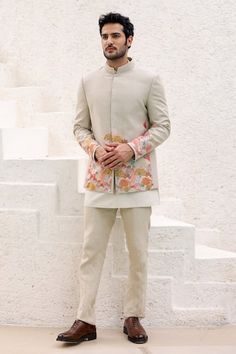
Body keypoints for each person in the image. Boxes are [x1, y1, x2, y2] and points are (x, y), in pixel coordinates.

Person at [56, 12, 170, 345]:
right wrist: (93, 150)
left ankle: (132, 317)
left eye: (116, 36)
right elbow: (80, 126)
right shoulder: (88, 80)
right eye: (105, 36)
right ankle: (84, 320)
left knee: (138, 253)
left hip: (138, 183)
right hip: (99, 181)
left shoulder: (149, 80)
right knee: (90, 252)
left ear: (129, 40)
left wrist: (130, 150)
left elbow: (163, 126)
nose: (110, 41)